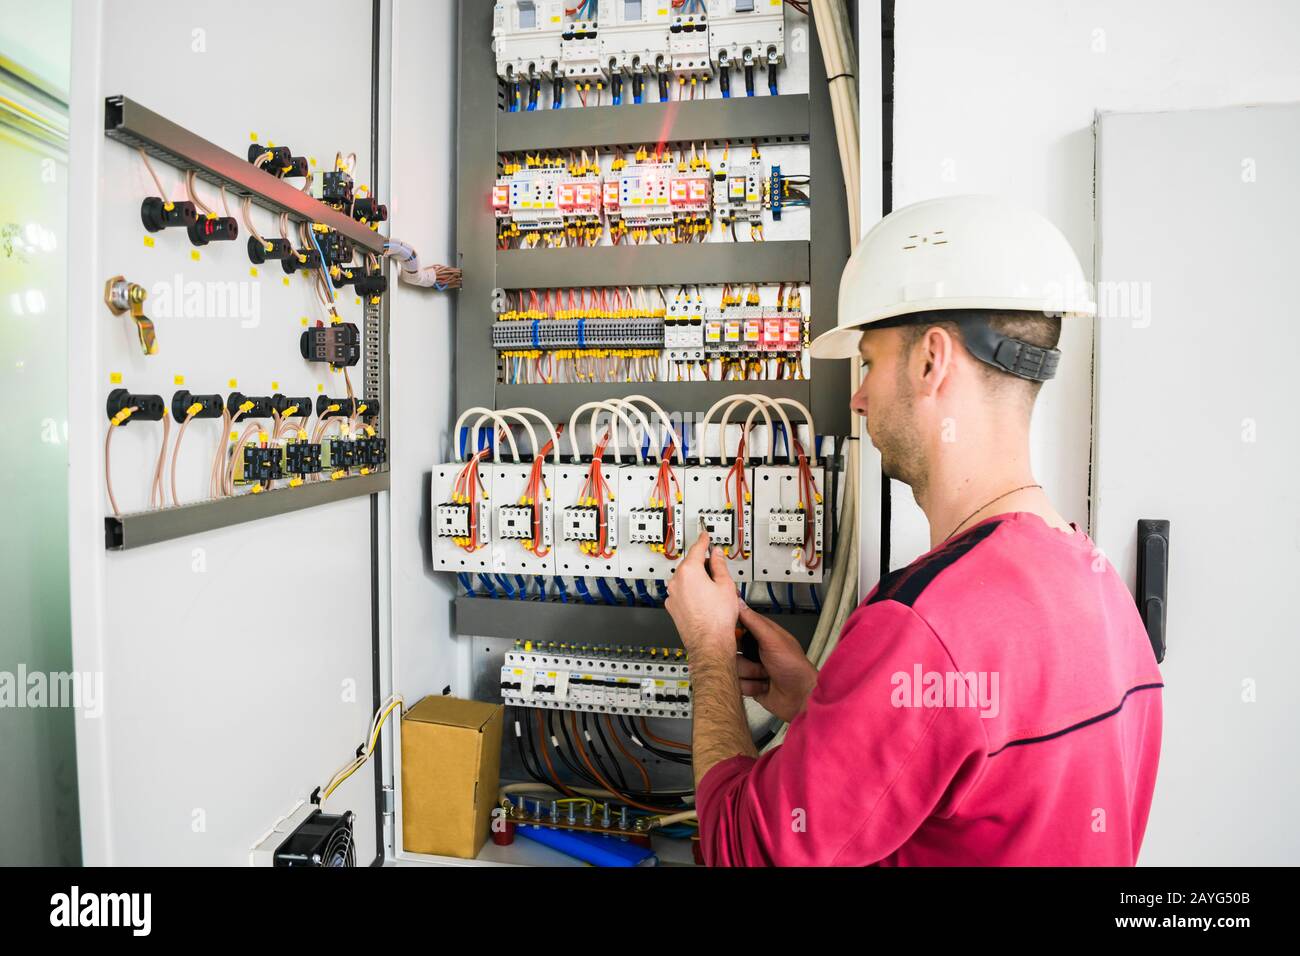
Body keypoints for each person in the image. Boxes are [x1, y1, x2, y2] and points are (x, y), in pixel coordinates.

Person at [665, 195, 1163, 865]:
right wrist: (825, 704)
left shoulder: (922, 625)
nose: (859, 396)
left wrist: (707, 654)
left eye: (869, 361)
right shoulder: (1101, 591)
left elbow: (741, 850)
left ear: (932, 361)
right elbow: (968, 784)